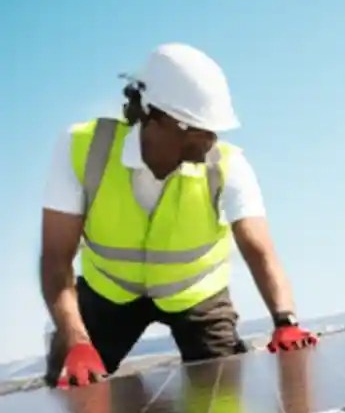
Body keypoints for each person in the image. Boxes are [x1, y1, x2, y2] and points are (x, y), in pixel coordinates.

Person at [40, 43, 317, 388]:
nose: (209, 142)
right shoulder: (82, 149)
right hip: (108, 294)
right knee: (68, 384)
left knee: (223, 407)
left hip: (197, 295)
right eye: (198, 130)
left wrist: (285, 319)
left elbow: (259, 249)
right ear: (155, 118)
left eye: (213, 131)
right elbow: (55, 257)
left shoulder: (228, 165)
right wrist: (76, 342)